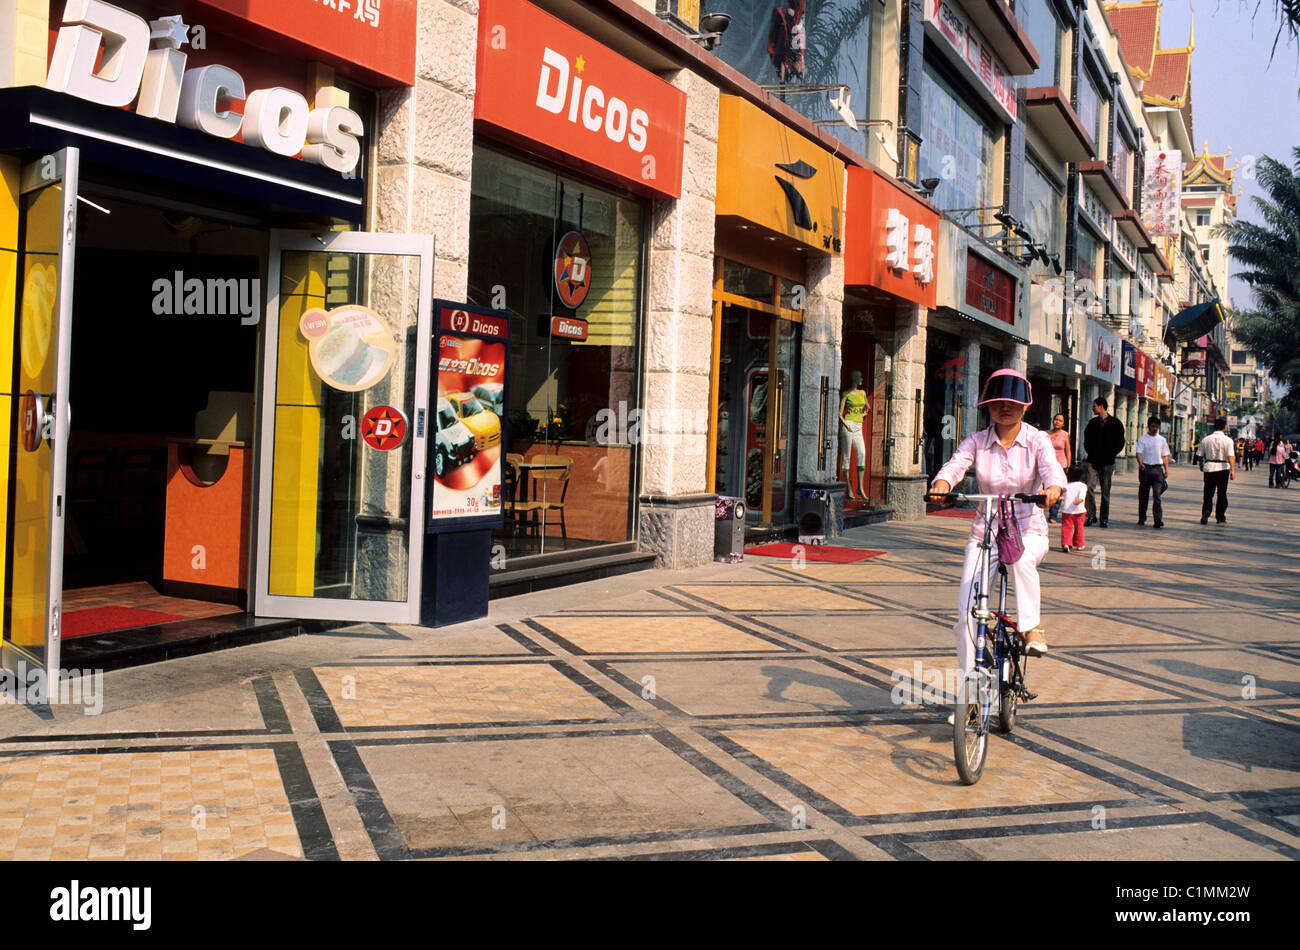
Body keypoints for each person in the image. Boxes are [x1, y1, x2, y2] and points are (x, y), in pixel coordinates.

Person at [930, 369, 1065, 676]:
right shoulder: (976, 441)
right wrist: (942, 483)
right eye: (997, 403)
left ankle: (1032, 626)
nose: (1005, 408)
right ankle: (969, 692)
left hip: (1028, 530)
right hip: (986, 531)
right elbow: (956, 465)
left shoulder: (1038, 440)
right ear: (987, 406)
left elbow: (1051, 468)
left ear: (1025, 405)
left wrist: (1053, 489)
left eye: (1012, 403)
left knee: (1018, 559)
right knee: (966, 617)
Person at [1082, 397, 1126, 527]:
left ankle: (1104, 518)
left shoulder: (1116, 423)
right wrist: (1090, 452)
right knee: (1089, 488)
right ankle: (1091, 516)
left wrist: (1111, 453)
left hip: (1107, 462)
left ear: (1101, 406)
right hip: (1092, 461)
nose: (1092, 408)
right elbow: (1086, 440)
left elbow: (1120, 442)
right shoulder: (1092, 423)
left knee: (1105, 491)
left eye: (1094, 406)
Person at [1196, 418, 1235, 523]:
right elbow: (1231, 456)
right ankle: (1220, 516)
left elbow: (1199, 455)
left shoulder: (1206, 439)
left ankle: (1206, 511)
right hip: (1223, 468)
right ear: (1224, 427)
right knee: (1222, 493)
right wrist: (1233, 471)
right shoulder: (1228, 440)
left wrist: (1201, 465)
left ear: (1214, 427)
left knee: (1208, 493)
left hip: (1209, 468)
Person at [1135, 416, 1170, 528]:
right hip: (1145, 469)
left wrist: (1166, 470)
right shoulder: (1142, 439)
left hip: (1157, 469)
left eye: (1157, 427)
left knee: (1157, 496)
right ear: (1148, 426)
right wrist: (1140, 463)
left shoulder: (1162, 440)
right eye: (1153, 426)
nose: (1155, 429)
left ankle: (1158, 519)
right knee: (1143, 495)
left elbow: (1165, 456)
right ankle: (1142, 517)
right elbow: (1138, 453)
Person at [839, 370, 868, 500]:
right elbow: (840, 414)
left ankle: (860, 487)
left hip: (858, 426)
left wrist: (863, 414)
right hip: (849, 425)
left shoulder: (862, 393)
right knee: (847, 456)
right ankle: (848, 488)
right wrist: (846, 424)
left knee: (862, 453)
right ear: (855, 378)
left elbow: (867, 407)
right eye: (860, 377)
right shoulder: (846, 394)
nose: (861, 378)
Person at [1047, 413, 1071, 523]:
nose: (1057, 421)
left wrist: (1068, 466)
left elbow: (1068, 451)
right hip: (1047, 464)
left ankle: (1053, 514)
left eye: (1060, 420)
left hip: (1061, 465)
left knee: (1058, 489)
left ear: (1063, 424)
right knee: (1046, 488)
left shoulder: (1065, 435)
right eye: (1055, 419)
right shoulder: (1046, 434)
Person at [1059, 463, 1088, 552]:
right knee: (1079, 527)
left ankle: (1066, 543)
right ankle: (1079, 544)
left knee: (1066, 527)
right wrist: (1078, 502)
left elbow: (1061, 496)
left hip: (1067, 510)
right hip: (1079, 510)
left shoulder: (1066, 486)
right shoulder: (1083, 486)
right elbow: (1081, 498)